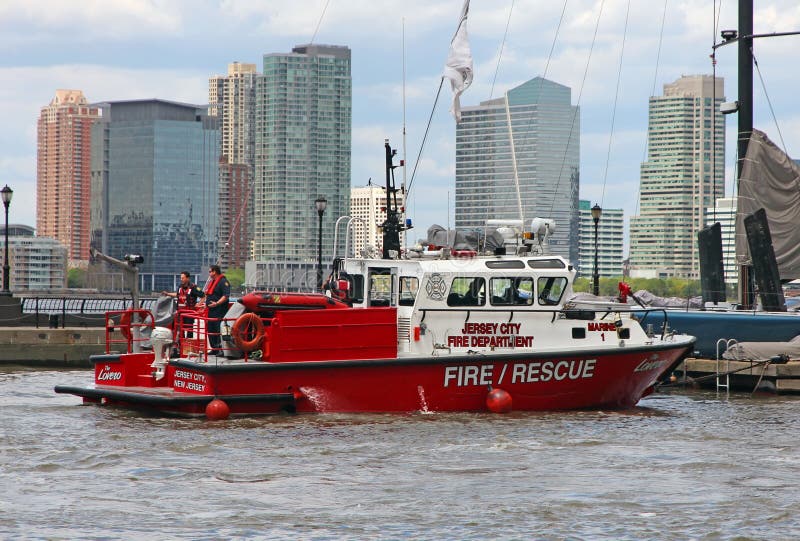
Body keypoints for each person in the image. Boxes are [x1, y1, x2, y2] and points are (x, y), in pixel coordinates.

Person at [161, 271, 204, 338]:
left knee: (189, 329)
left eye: (183, 278)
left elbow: (203, 296)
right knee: (180, 329)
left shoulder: (193, 287)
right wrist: (168, 294)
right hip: (180, 313)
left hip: (189, 313)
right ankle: (180, 345)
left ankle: (189, 345)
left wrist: (198, 304)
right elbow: (177, 295)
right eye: (181, 278)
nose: (181, 279)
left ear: (188, 278)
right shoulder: (180, 287)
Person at [202, 264, 230, 356]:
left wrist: (217, 303)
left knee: (219, 330)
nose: (209, 273)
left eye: (210, 271)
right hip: (211, 311)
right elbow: (208, 295)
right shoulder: (212, 282)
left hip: (219, 311)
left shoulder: (223, 282)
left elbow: (226, 296)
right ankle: (214, 348)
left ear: (214, 272)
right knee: (211, 330)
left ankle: (221, 349)